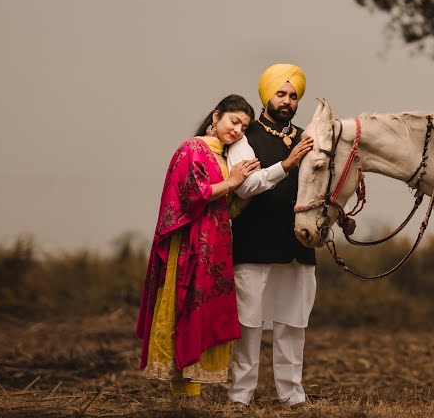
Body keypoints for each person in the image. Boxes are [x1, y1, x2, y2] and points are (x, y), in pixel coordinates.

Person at [136, 95, 261, 399]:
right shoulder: (193, 148)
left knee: (202, 316)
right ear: (216, 117)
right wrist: (233, 182)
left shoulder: (222, 157)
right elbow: (195, 194)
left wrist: (249, 188)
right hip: (191, 244)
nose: (238, 130)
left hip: (215, 247)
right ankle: (183, 398)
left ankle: (189, 396)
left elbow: (225, 210)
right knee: (185, 310)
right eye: (234, 121)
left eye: (244, 127)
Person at [225, 64, 317, 407]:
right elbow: (246, 187)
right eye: (281, 93)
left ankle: (292, 395)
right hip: (255, 245)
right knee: (249, 323)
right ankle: (240, 396)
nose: (287, 101)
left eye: (293, 96)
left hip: (298, 245)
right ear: (267, 95)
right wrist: (287, 164)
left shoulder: (308, 137)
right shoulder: (245, 139)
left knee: (294, 324)